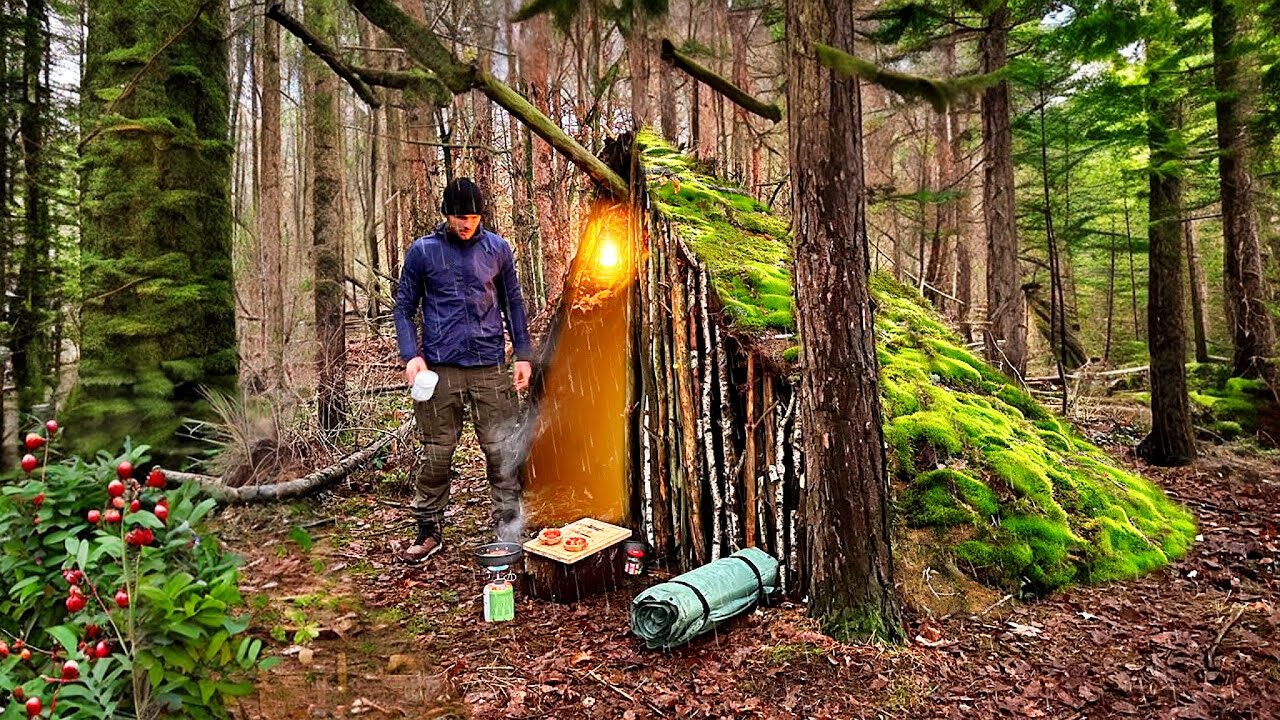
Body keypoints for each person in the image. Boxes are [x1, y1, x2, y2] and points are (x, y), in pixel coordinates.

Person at [393, 177, 534, 562]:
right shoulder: (423, 252)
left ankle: (508, 527)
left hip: (490, 365)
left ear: (481, 215)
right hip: (440, 368)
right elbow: (403, 308)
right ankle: (428, 529)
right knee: (438, 452)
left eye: (473, 216)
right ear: (447, 215)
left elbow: (514, 303)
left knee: (501, 448)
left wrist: (523, 353)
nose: (467, 224)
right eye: (459, 217)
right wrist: (411, 355)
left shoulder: (497, 249)